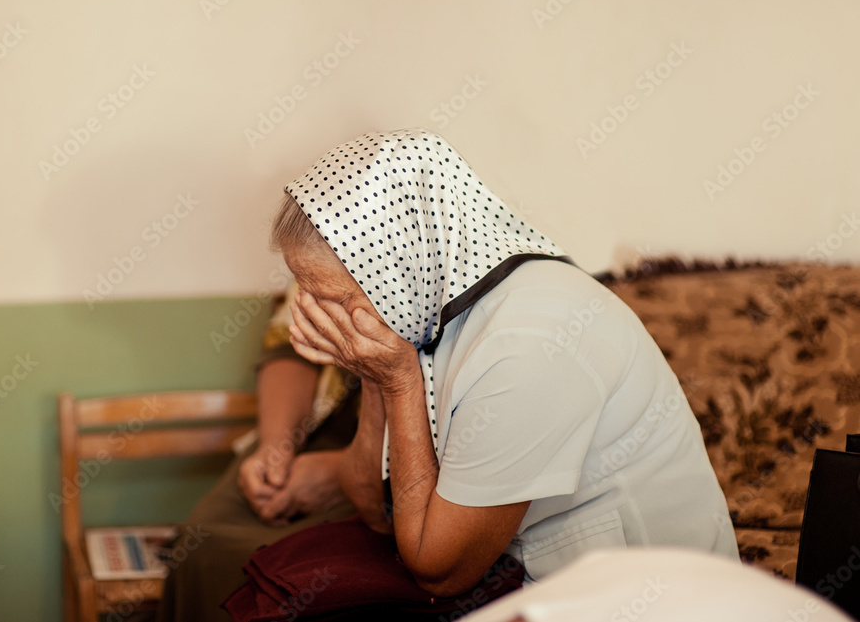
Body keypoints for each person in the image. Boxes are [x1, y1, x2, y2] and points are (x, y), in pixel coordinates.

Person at [269, 128, 739, 599]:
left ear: (399, 270)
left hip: (648, 598)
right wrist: (372, 375)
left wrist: (397, 383)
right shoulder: (424, 312)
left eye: (328, 297)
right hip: (536, 580)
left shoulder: (533, 342)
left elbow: (439, 570)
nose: (311, 314)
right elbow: (374, 509)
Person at [156, 285, 360, 622]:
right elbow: (289, 345)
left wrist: (346, 472)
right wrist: (275, 450)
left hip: (397, 463)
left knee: (286, 576)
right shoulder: (325, 243)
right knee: (205, 545)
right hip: (310, 428)